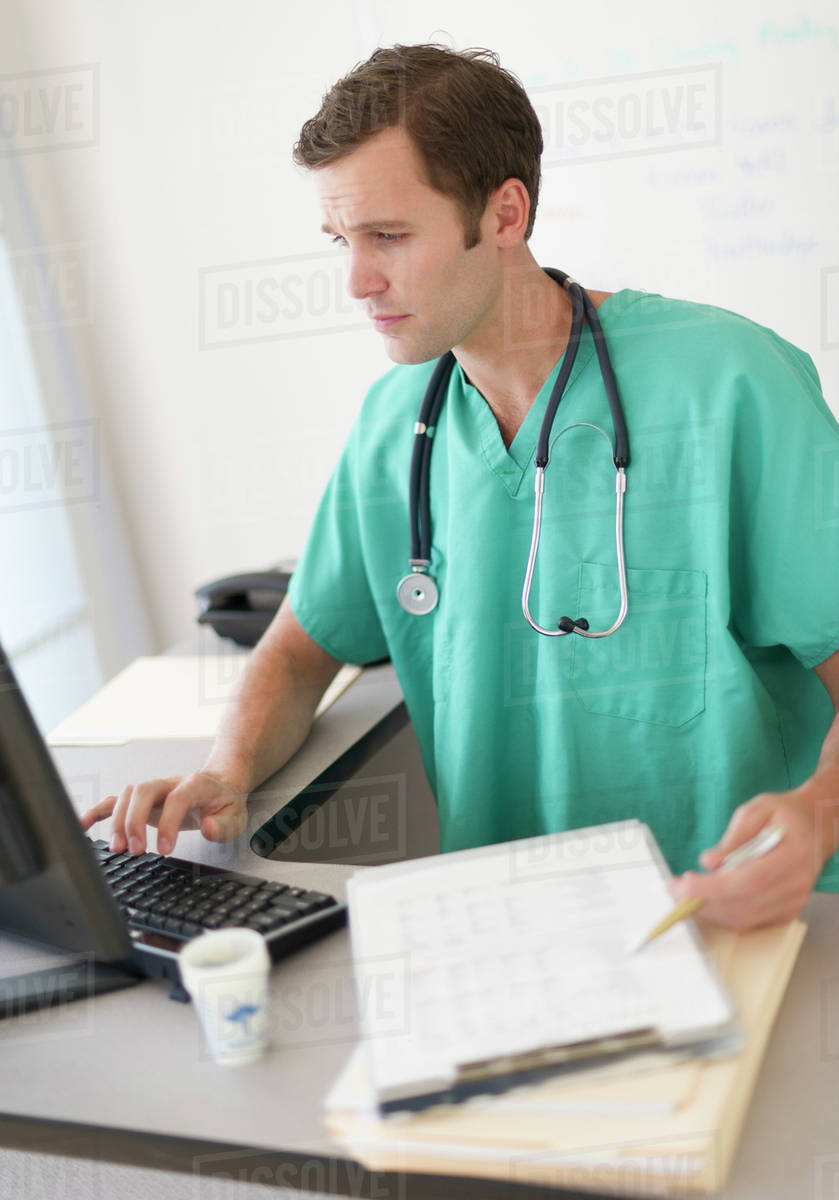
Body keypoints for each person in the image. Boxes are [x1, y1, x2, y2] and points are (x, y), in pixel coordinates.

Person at [81, 44, 839, 932]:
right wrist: (226, 770)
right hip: (511, 930)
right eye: (343, 241)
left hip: (743, 915)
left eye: (389, 237)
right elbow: (296, 652)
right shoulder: (397, 425)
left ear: (504, 211)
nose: (357, 282)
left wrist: (815, 818)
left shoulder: (730, 385)